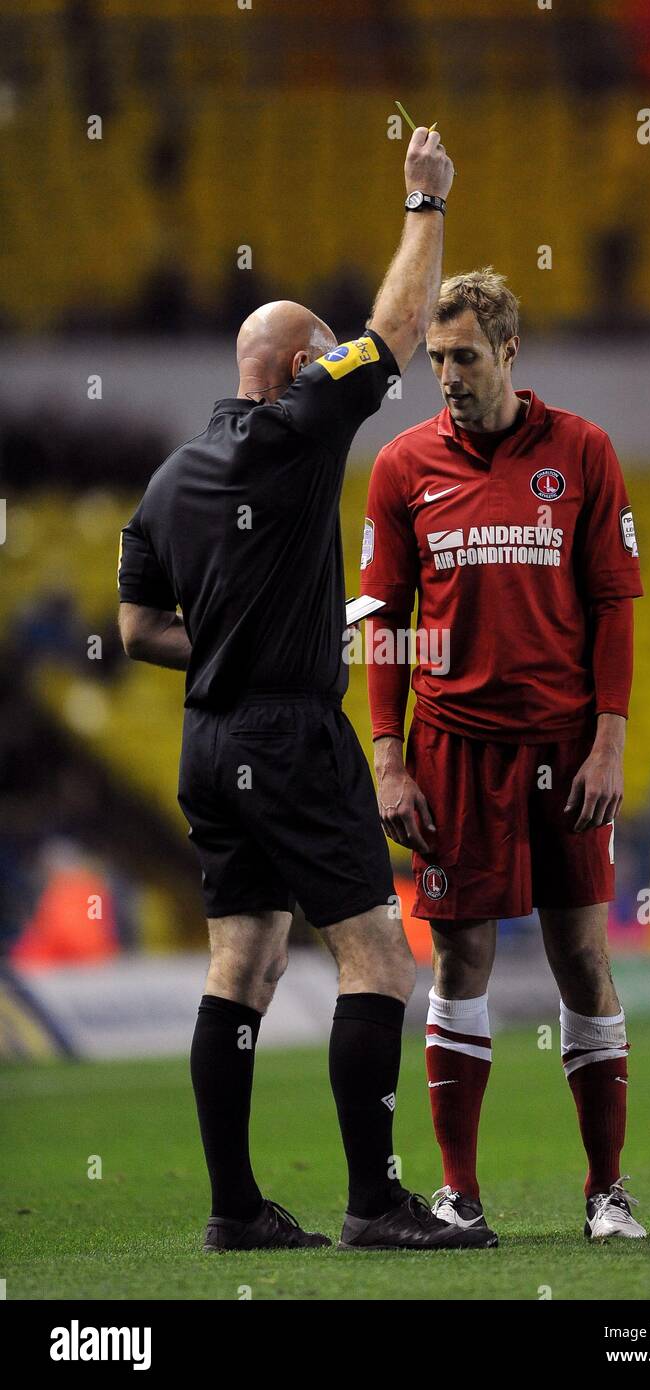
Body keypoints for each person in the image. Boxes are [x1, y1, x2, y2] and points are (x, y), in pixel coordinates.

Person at [118, 131, 493, 1252]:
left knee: (242, 961)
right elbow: (387, 335)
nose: (339, 373)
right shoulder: (292, 431)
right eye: (321, 359)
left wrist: (232, 642)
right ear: (293, 370)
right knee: (375, 951)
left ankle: (235, 1209)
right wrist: (423, 204)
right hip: (285, 733)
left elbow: (137, 628)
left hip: (207, 737)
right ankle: (374, 1199)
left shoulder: (171, 477)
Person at [360, 268, 647, 1241]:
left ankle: (605, 1192)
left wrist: (608, 742)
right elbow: (384, 625)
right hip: (450, 749)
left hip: (566, 744)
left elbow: (612, 604)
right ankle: (457, 1196)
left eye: (463, 357)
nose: (444, 373)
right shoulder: (401, 466)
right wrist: (387, 759)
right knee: (459, 953)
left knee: (578, 951)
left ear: (508, 353)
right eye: (434, 357)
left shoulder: (582, 451)